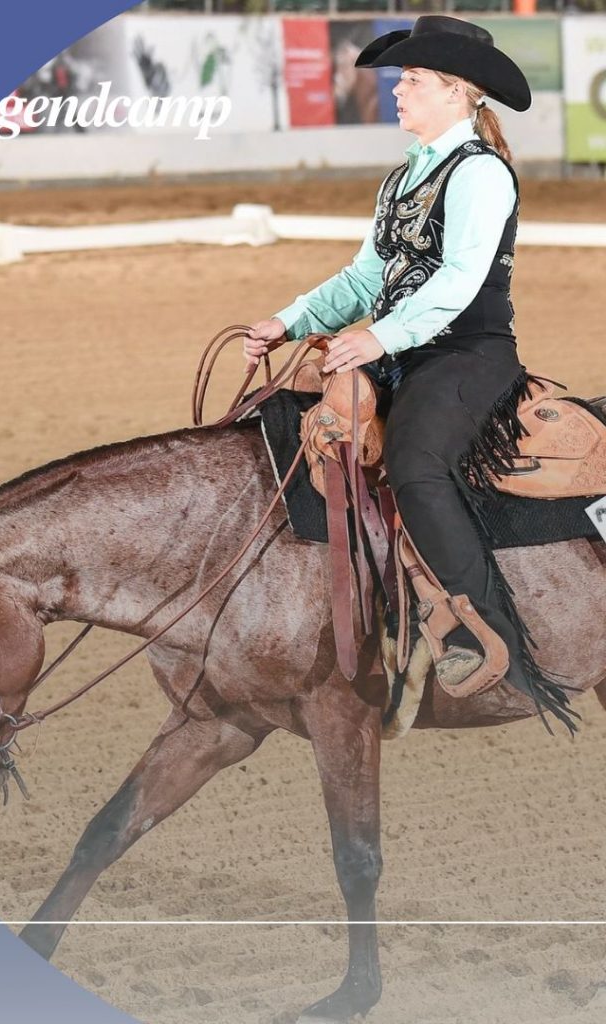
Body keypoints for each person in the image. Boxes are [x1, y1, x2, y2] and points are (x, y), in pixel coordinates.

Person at [244, 16, 577, 732]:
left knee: (417, 466)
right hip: (400, 351)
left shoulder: (481, 173)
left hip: (467, 354)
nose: (397, 91)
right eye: (401, 79)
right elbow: (366, 277)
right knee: (292, 431)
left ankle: (482, 636)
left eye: (413, 79)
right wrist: (288, 321)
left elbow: (459, 281)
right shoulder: (404, 176)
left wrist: (377, 337)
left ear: (459, 91)